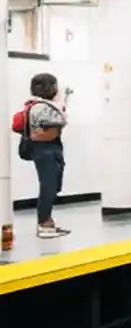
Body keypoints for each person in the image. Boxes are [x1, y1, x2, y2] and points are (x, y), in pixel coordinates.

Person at [21, 73, 70, 238]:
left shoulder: (41, 105)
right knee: (48, 186)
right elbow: (53, 124)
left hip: (47, 148)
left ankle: (47, 221)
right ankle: (44, 224)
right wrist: (60, 110)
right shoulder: (42, 107)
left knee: (51, 184)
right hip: (45, 149)